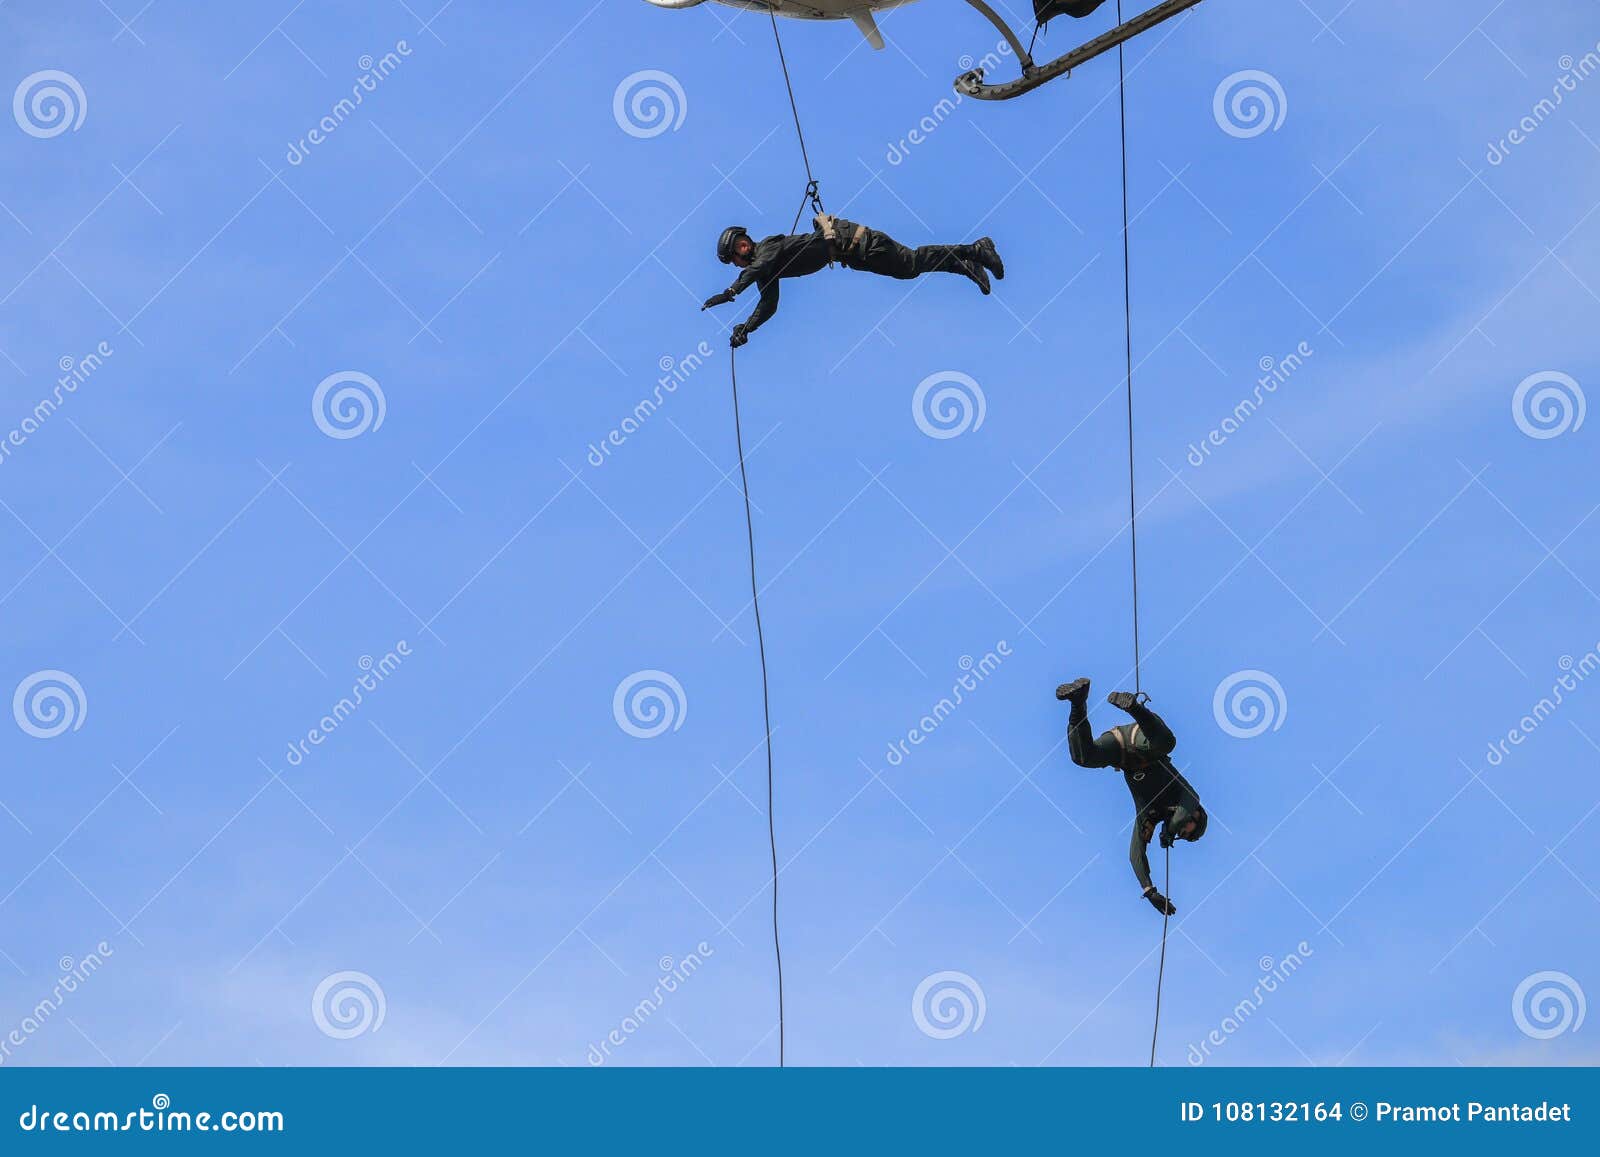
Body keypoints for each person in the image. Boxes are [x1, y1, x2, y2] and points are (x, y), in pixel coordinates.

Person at [702, 218, 1005, 347]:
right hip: (855, 254)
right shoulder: (764, 269)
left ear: (742, 248)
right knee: (907, 271)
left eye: (734, 261)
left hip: (857, 242)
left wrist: (730, 292)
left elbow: (757, 269)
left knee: (911, 263)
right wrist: (747, 328)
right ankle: (966, 266)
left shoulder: (767, 248)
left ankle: (975, 249)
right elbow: (769, 304)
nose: (738, 265)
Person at [1056, 677, 1208, 917]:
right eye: (1186, 831)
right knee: (1167, 743)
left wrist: (1150, 891)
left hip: (1120, 751)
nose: (1180, 833)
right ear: (1197, 817)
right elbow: (1188, 805)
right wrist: (1170, 830)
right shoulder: (1186, 796)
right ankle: (1134, 707)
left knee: (1084, 758)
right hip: (1144, 739)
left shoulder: (1149, 815)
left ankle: (1078, 701)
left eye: (1182, 835)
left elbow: (1135, 854)